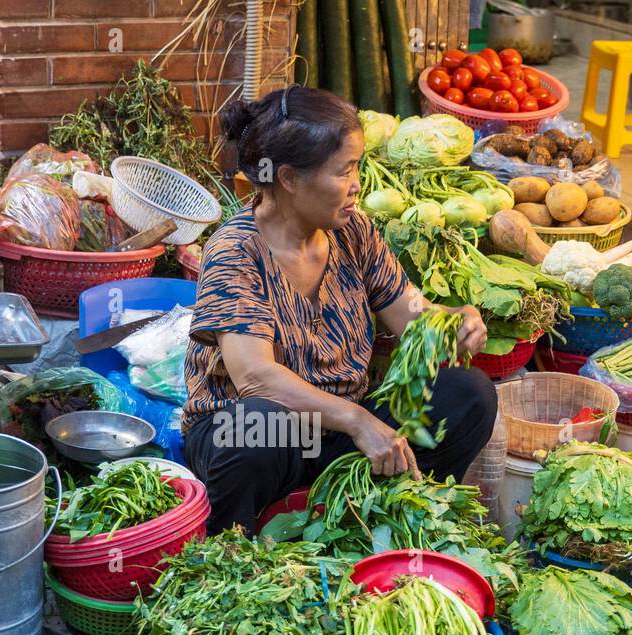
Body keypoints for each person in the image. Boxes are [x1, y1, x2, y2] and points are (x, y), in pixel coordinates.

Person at [182, 85, 498, 534]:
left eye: (358, 168)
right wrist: (358, 421)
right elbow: (256, 378)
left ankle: (401, 517)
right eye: (344, 171)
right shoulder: (235, 251)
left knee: (468, 394)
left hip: (339, 435)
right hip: (266, 438)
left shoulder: (354, 232)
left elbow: (409, 311)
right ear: (289, 178)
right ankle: (232, 552)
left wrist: (455, 322)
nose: (357, 186)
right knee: (256, 425)